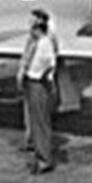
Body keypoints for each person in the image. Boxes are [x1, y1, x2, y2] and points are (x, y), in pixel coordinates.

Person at [18, 10, 59, 174]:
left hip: (38, 84)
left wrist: (43, 78)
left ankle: (44, 160)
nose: (30, 29)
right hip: (31, 83)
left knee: (41, 122)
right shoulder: (35, 41)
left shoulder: (45, 43)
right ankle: (38, 154)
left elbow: (51, 62)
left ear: (39, 27)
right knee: (35, 121)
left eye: (32, 26)